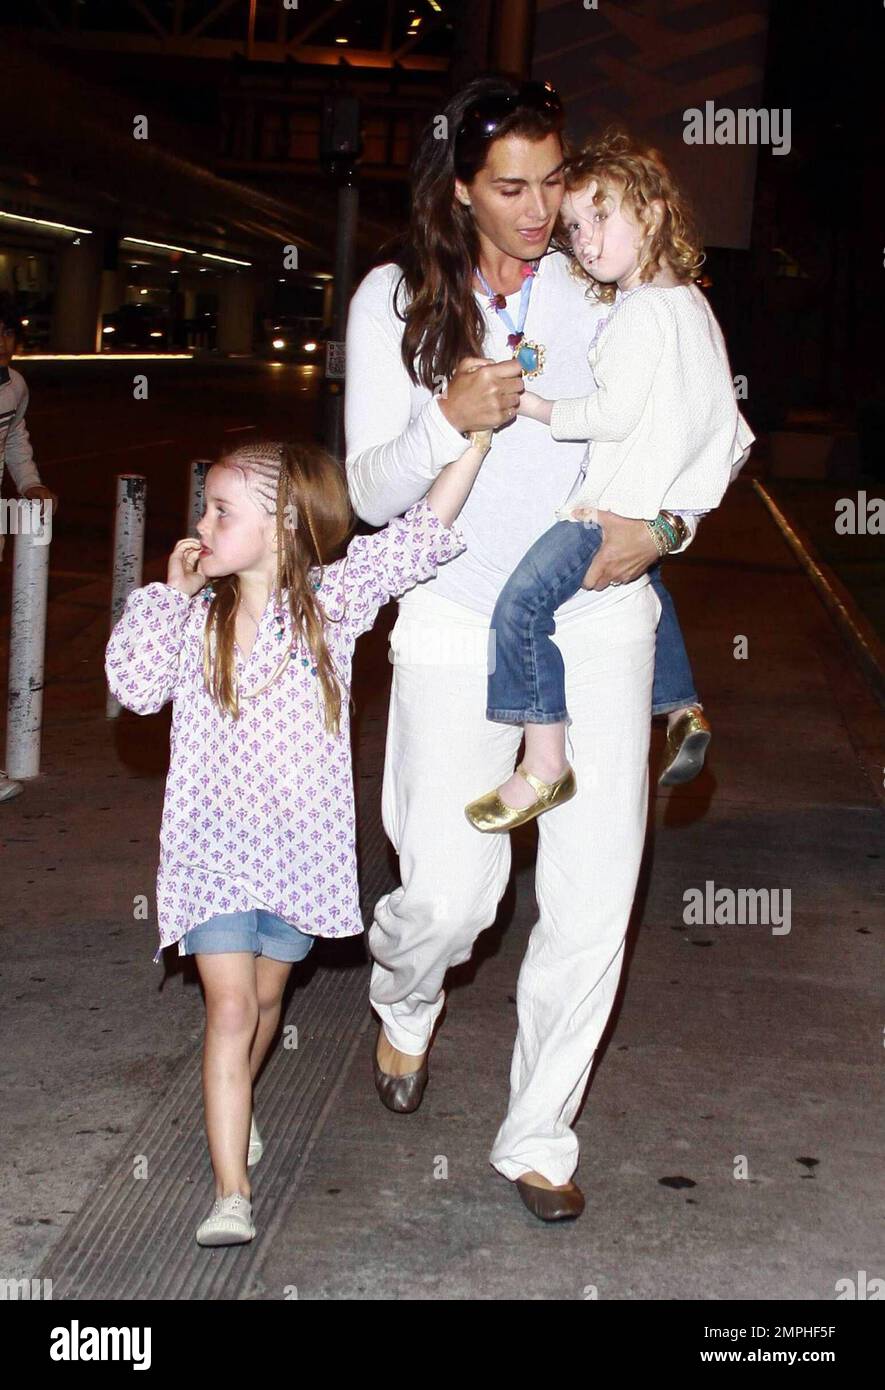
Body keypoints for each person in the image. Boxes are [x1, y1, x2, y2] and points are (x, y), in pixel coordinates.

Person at [345, 75, 704, 1221]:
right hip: (454, 620)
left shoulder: (602, 281)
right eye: (514, 187)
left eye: (555, 181)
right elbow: (364, 490)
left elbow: (703, 422)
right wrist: (444, 417)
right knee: (451, 897)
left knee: (594, 897)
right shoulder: (395, 301)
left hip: (596, 619)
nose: (545, 209)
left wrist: (668, 528)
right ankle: (406, 1001)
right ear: (460, 190)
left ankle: (539, 1129)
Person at [105, 438, 484, 1245]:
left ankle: (234, 1103)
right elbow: (135, 693)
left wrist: (472, 438)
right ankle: (230, 1193)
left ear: (281, 526)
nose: (202, 524)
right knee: (231, 1006)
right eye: (204, 507)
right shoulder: (193, 618)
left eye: (221, 511)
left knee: (267, 1001)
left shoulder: (330, 605)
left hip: (297, 854)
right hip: (209, 852)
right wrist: (169, 595)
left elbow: (420, 533)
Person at [466, 131, 754, 832]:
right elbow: (736, 433)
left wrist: (531, 405)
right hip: (651, 511)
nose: (584, 241)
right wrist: (672, 512)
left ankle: (542, 763)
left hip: (599, 512)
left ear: (651, 213)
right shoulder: (694, 309)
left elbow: (612, 412)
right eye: (574, 227)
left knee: (520, 610)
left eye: (601, 217)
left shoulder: (637, 314)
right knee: (649, 588)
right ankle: (682, 705)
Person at [0, 293, 59, 803]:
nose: (3, 344)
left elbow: (15, 438)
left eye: (9, 333)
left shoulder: (14, 386)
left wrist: (30, 485)